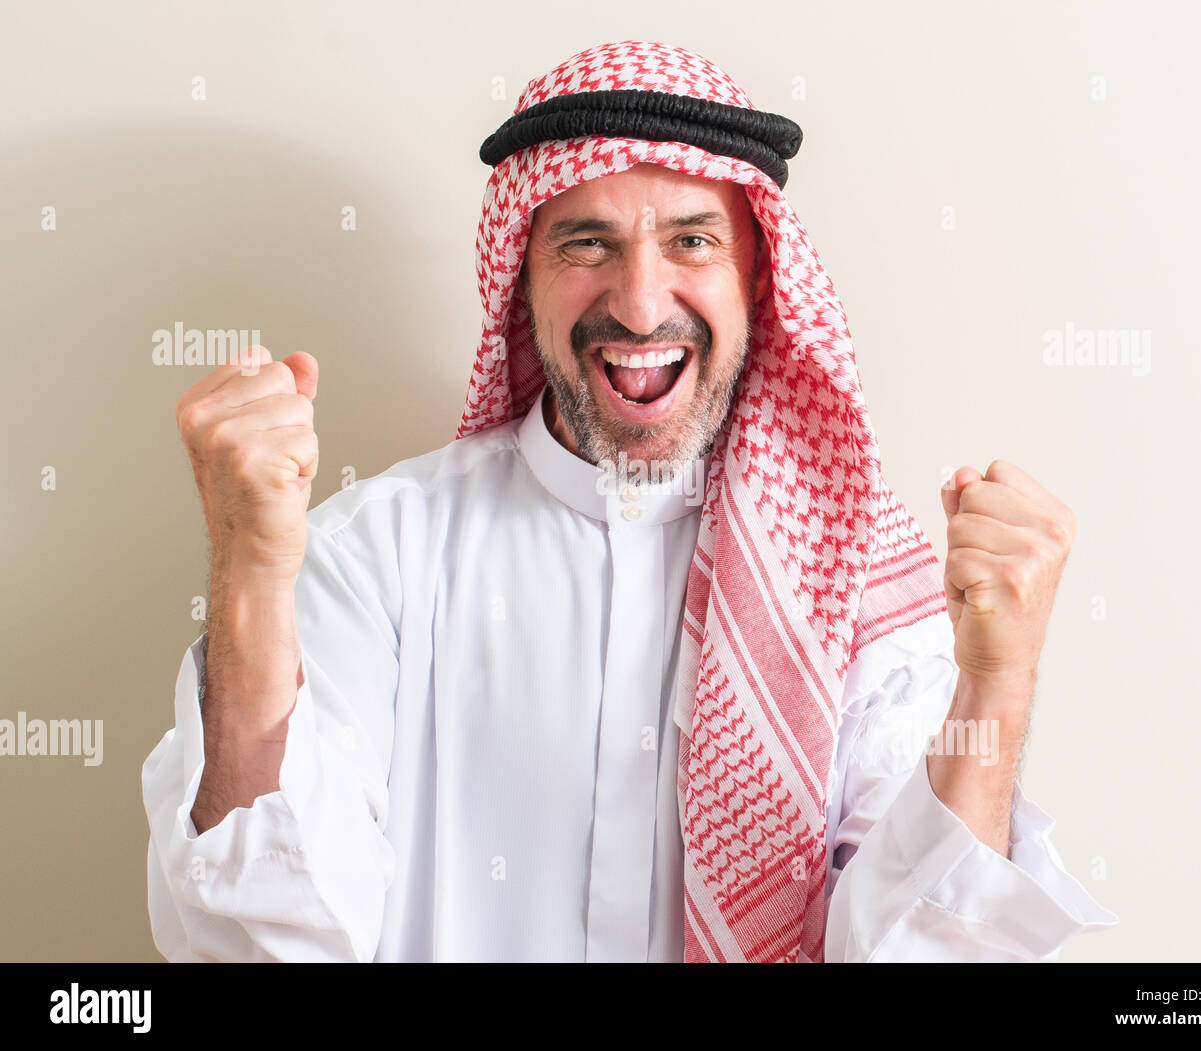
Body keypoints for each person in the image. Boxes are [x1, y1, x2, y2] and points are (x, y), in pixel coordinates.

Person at [142, 39, 1118, 962]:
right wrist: (250, 573)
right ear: (520, 281)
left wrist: (999, 680)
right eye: (587, 244)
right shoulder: (375, 557)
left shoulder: (855, 576)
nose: (641, 303)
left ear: (758, 279)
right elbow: (260, 944)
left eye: (692, 240)